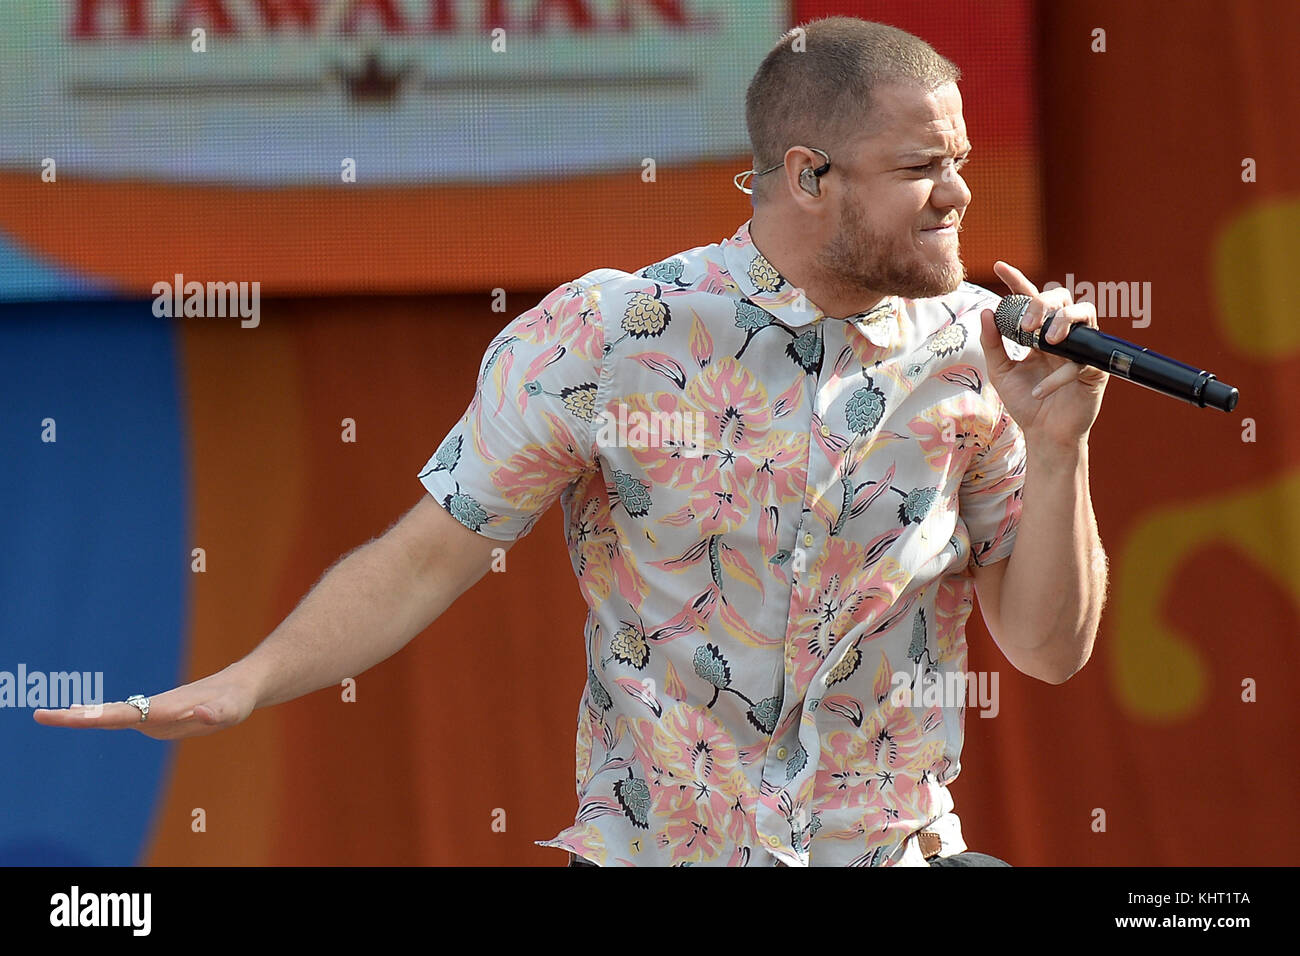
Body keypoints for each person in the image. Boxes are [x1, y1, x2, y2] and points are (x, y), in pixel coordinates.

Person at [35, 17, 1109, 867]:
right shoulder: (612, 333)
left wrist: (1059, 449)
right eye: (923, 163)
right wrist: (249, 681)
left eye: (964, 157)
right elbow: (423, 556)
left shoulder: (977, 354)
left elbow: (1050, 649)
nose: (960, 193)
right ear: (807, 174)